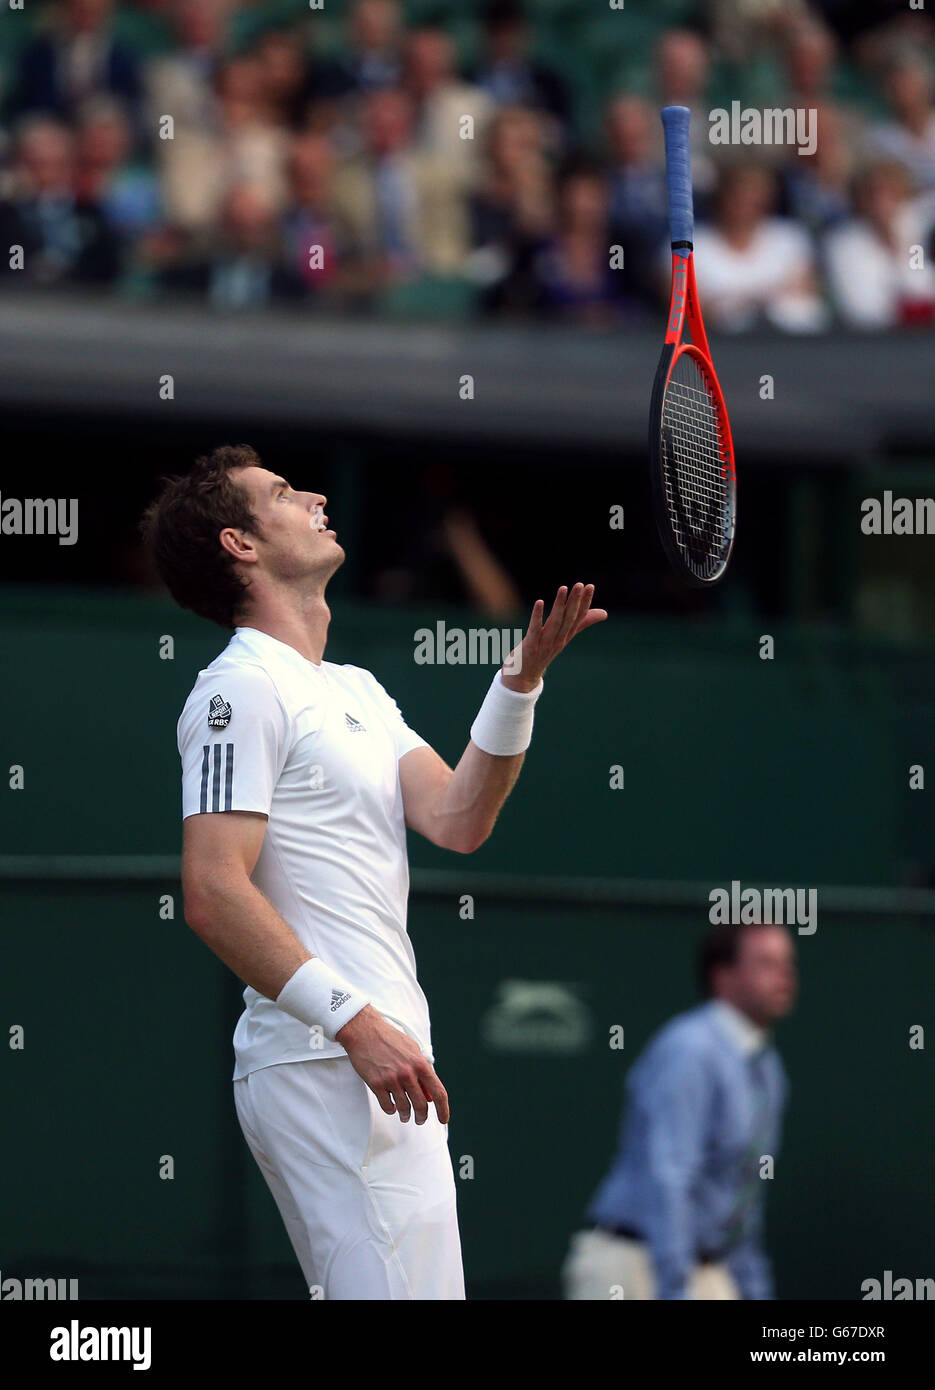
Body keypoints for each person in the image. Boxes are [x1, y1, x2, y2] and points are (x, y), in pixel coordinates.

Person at [140, 445, 606, 1299]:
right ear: (240, 545)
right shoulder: (237, 690)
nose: (315, 496)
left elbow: (459, 817)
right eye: (283, 493)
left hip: (386, 1057)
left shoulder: (353, 686)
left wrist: (519, 683)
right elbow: (211, 891)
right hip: (325, 1060)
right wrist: (352, 1022)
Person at [563, 922, 796, 1300]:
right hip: (632, 1266)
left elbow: (745, 1195)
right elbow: (669, 1178)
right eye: (766, 963)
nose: (785, 976)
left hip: (708, 1271)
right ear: (723, 977)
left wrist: (752, 1287)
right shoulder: (689, 1050)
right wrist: (675, 1288)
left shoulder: (768, 1069)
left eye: (788, 963)